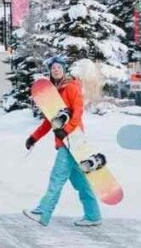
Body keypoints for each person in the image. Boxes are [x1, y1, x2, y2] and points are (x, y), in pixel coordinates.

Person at [23, 56, 101, 227]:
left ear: (64, 70)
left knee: (56, 178)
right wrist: (34, 137)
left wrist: (66, 130)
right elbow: (48, 121)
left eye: (59, 67)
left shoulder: (72, 88)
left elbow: (78, 112)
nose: (56, 70)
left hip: (72, 140)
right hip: (67, 142)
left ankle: (44, 213)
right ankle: (93, 215)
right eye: (53, 68)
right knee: (81, 182)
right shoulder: (54, 93)